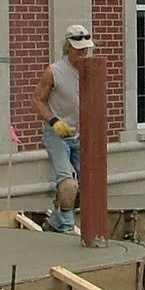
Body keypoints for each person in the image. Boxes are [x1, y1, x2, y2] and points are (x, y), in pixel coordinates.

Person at [32, 23, 94, 233]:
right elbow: (38, 100)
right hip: (57, 134)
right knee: (68, 183)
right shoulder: (54, 71)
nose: (83, 53)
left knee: (86, 185)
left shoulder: (91, 70)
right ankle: (66, 228)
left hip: (80, 134)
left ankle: (56, 222)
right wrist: (54, 122)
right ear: (68, 48)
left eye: (86, 49)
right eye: (78, 50)